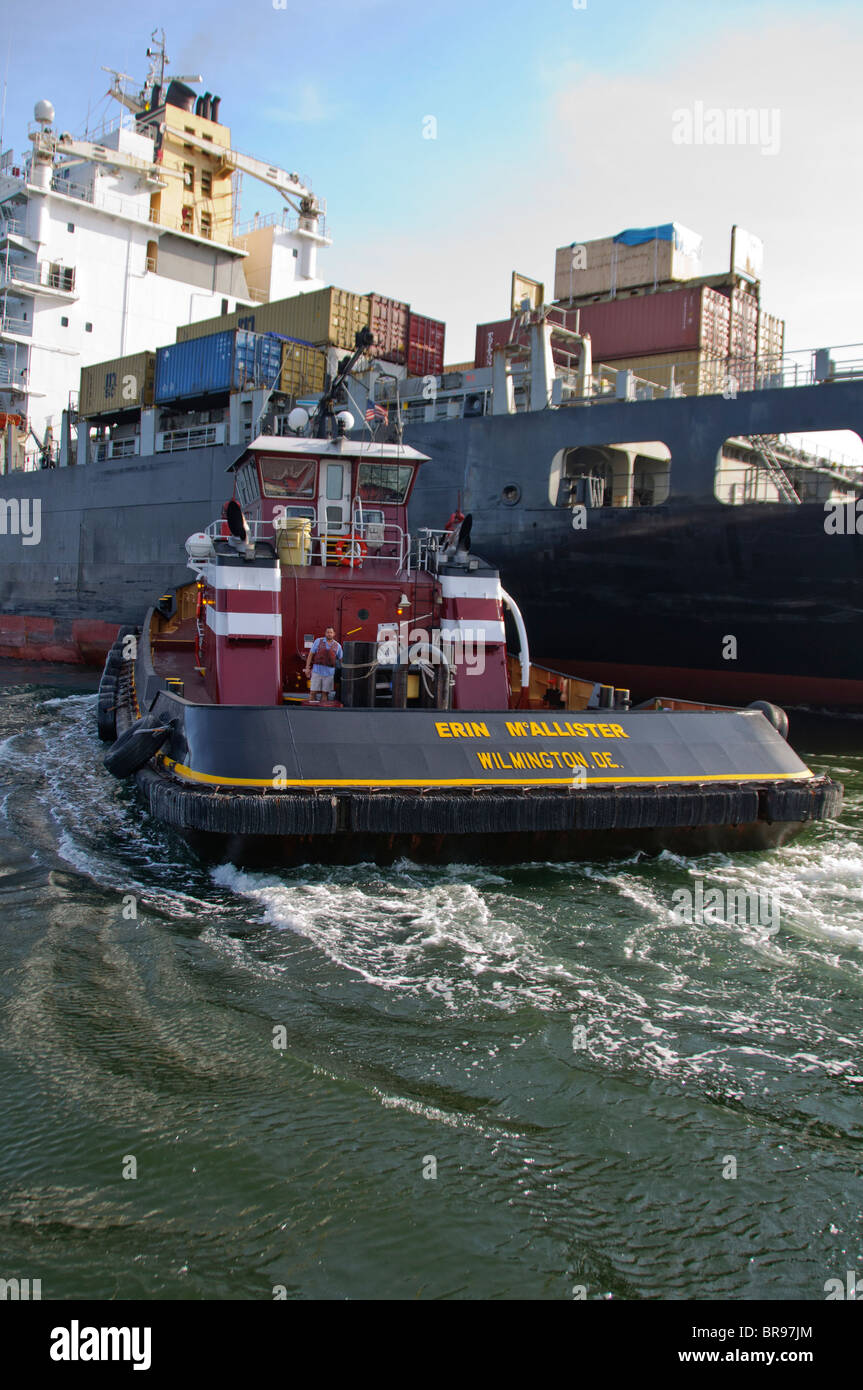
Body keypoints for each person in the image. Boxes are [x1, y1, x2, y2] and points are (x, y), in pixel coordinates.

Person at [305, 627, 343, 702]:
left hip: (329, 673)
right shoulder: (318, 641)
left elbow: (341, 659)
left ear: (334, 634)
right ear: (325, 633)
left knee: (325, 694)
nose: (329, 634)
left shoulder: (338, 646)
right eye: (328, 632)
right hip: (316, 672)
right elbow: (310, 655)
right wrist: (307, 668)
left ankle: (323, 711)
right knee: (312, 693)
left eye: (331, 632)